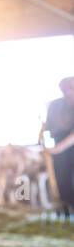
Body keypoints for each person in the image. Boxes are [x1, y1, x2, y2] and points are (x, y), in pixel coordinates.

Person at [42, 76, 74, 217]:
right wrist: (44, 142)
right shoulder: (55, 106)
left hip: (66, 147)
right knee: (62, 180)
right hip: (59, 150)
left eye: (71, 89)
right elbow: (47, 127)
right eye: (66, 90)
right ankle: (66, 212)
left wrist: (59, 148)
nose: (69, 93)